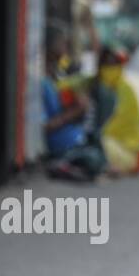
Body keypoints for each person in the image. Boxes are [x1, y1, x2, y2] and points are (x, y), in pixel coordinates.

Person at [41, 22, 106, 181]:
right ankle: (66, 165)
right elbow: (42, 128)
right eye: (62, 42)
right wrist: (75, 111)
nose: (65, 47)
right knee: (94, 159)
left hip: (77, 139)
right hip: (62, 146)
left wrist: (77, 106)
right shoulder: (40, 81)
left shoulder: (58, 75)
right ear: (49, 47)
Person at [96, 45, 139, 175]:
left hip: (131, 151)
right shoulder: (96, 85)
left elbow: (116, 123)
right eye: (105, 64)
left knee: (101, 143)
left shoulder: (125, 90)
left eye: (113, 64)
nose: (109, 69)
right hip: (112, 145)